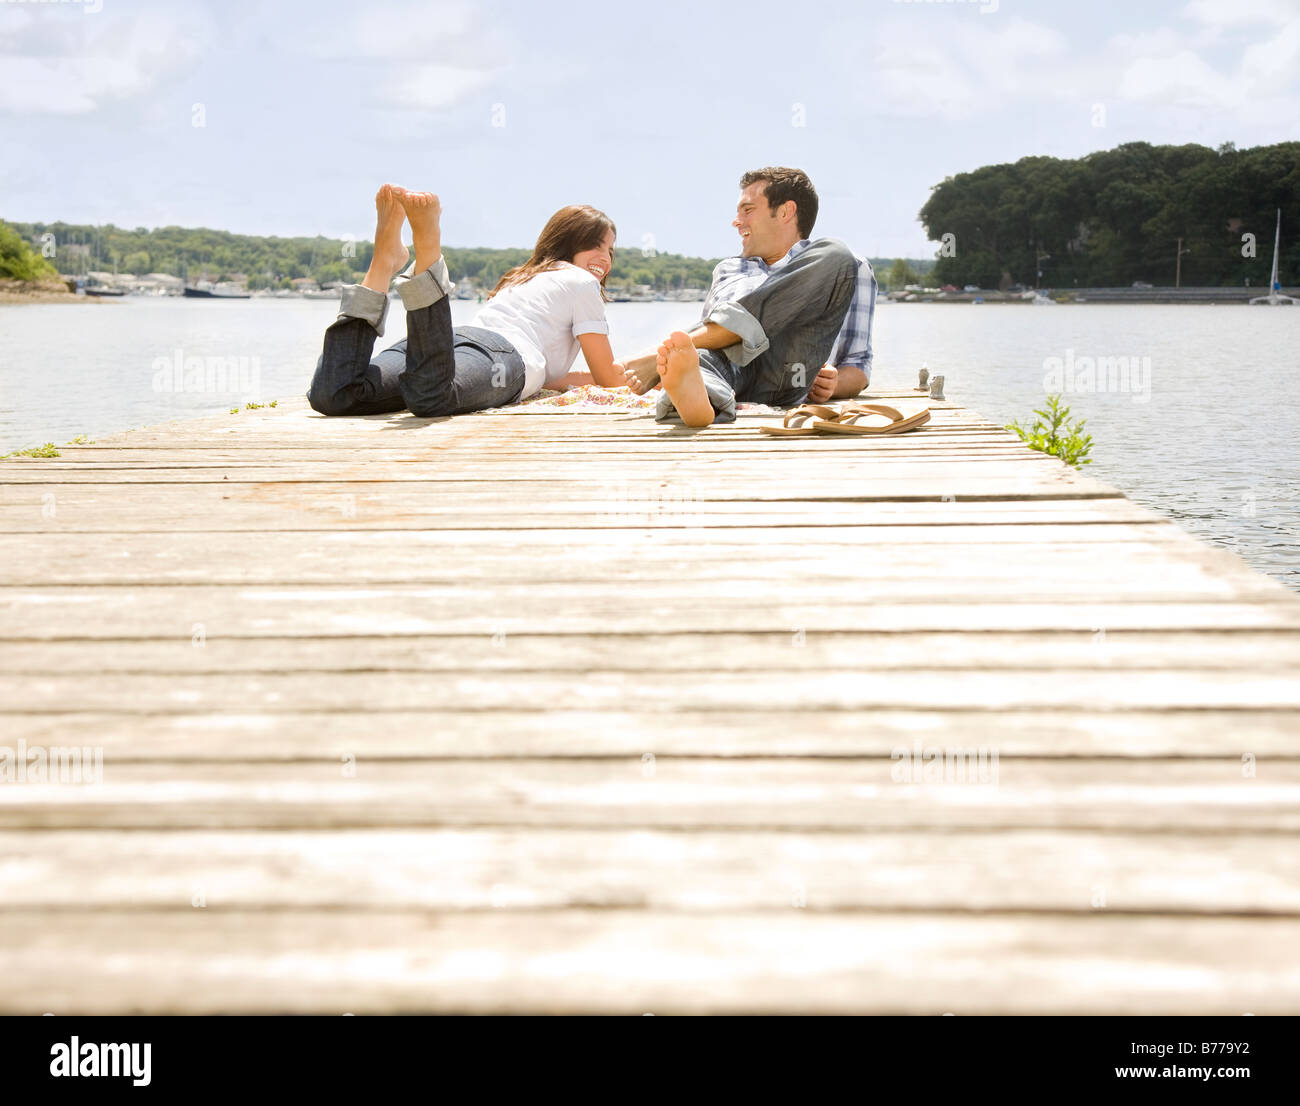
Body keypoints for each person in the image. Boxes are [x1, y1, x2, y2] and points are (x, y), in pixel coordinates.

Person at [307, 185, 625, 418]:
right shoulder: (583, 283)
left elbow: (554, 377)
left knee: (335, 394)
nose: (604, 258)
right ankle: (429, 251)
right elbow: (609, 381)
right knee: (430, 397)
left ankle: (382, 265)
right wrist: (639, 375)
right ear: (569, 243)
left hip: (450, 343)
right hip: (501, 356)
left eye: (610, 251)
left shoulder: (523, 277)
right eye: (595, 246)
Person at [624, 166, 877, 427]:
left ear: (785, 212)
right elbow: (705, 343)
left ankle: (668, 364)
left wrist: (835, 384)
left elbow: (858, 366)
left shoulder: (848, 267)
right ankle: (701, 402)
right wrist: (679, 359)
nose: (736, 221)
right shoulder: (728, 269)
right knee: (703, 359)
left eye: (747, 210)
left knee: (837, 251)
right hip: (733, 373)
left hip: (791, 371)